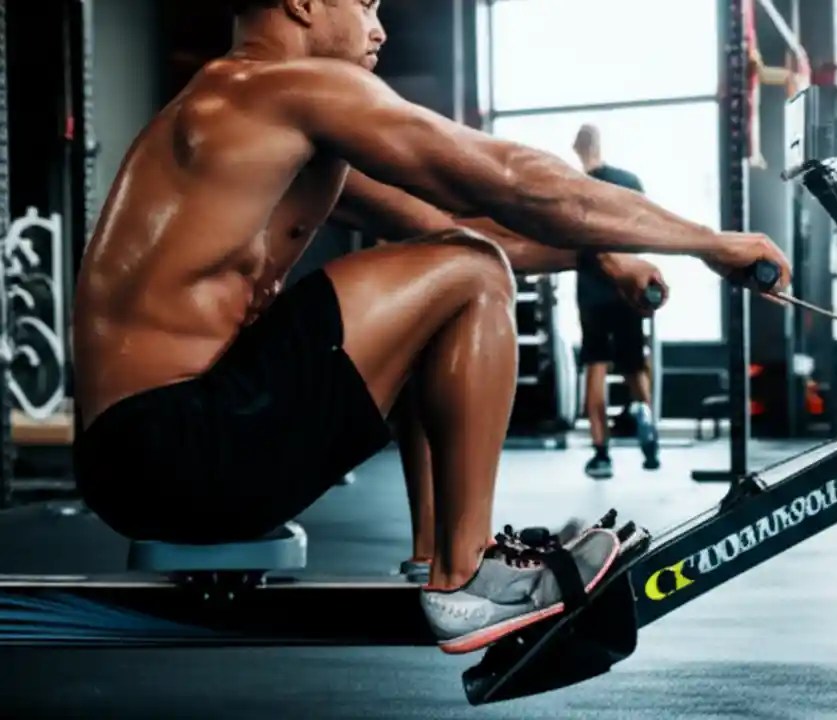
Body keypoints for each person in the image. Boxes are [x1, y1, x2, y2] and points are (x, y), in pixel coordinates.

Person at [71, 0, 790, 655]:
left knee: (444, 275)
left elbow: (450, 233)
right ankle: (467, 574)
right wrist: (709, 241)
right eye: (366, 5)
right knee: (466, 272)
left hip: (141, 458)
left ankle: (435, 555)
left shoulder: (246, 108)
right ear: (303, 4)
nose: (380, 29)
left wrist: (599, 256)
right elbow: (505, 179)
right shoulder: (282, 89)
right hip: (178, 446)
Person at [570, 124, 664, 479]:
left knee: (596, 364)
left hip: (593, 290)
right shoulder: (628, 180)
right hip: (626, 286)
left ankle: (601, 454)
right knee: (633, 364)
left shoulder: (574, 187)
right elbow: (646, 228)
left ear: (578, 148)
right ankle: (648, 425)